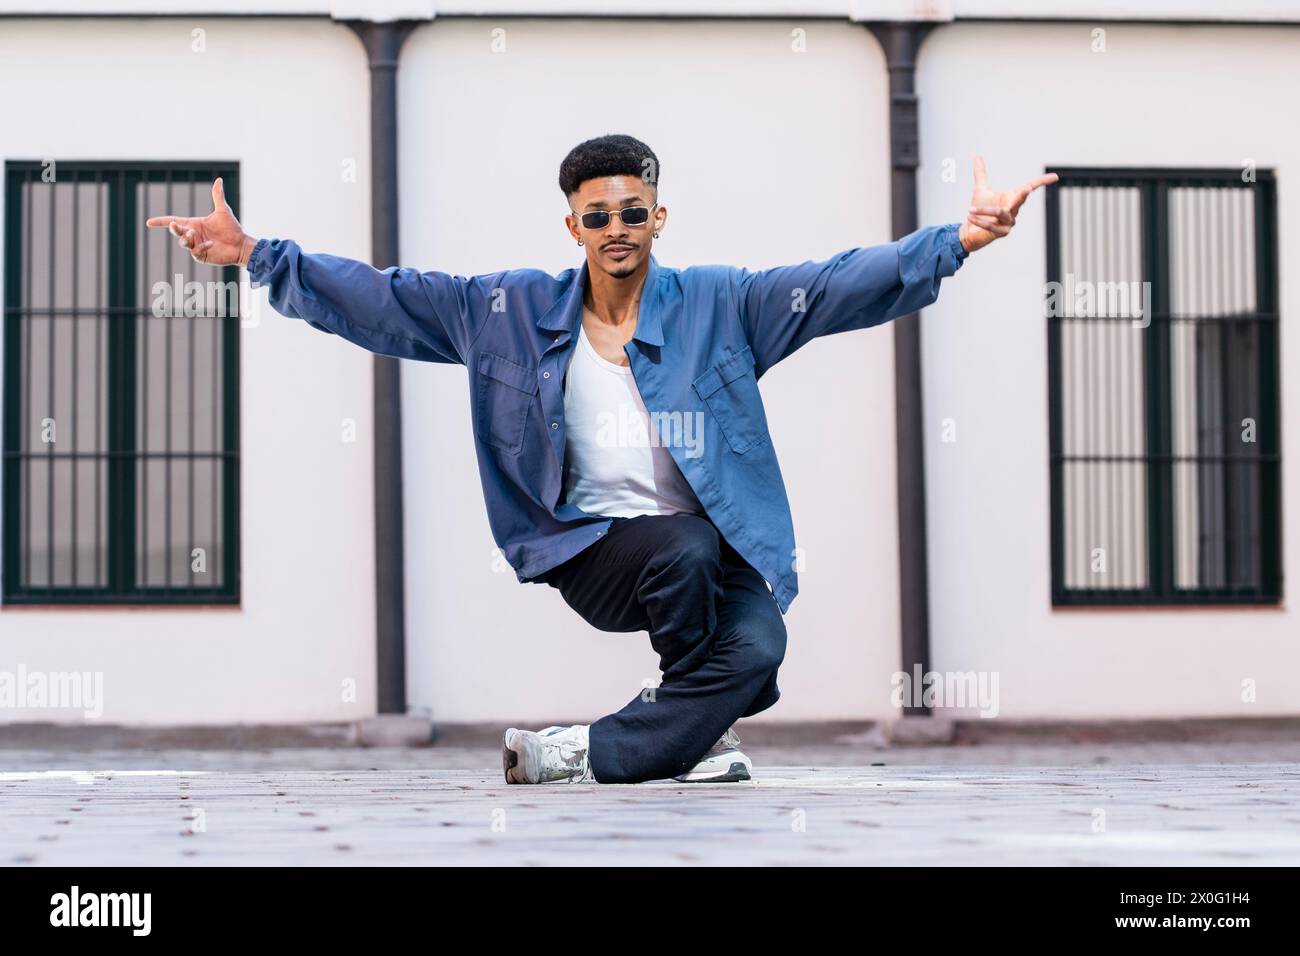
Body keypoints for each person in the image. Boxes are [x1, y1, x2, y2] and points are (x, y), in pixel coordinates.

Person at [146, 134, 1056, 785]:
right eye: (596, 215)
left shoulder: (720, 303)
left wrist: (959, 242)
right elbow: (383, 301)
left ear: (658, 216)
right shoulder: (502, 310)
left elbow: (833, 286)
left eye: (632, 211)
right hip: (589, 550)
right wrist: (259, 255)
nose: (616, 226)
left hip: (714, 547)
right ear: (572, 225)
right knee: (683, 549)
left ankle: (592, 749)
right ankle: (683, 735)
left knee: (759, 653)